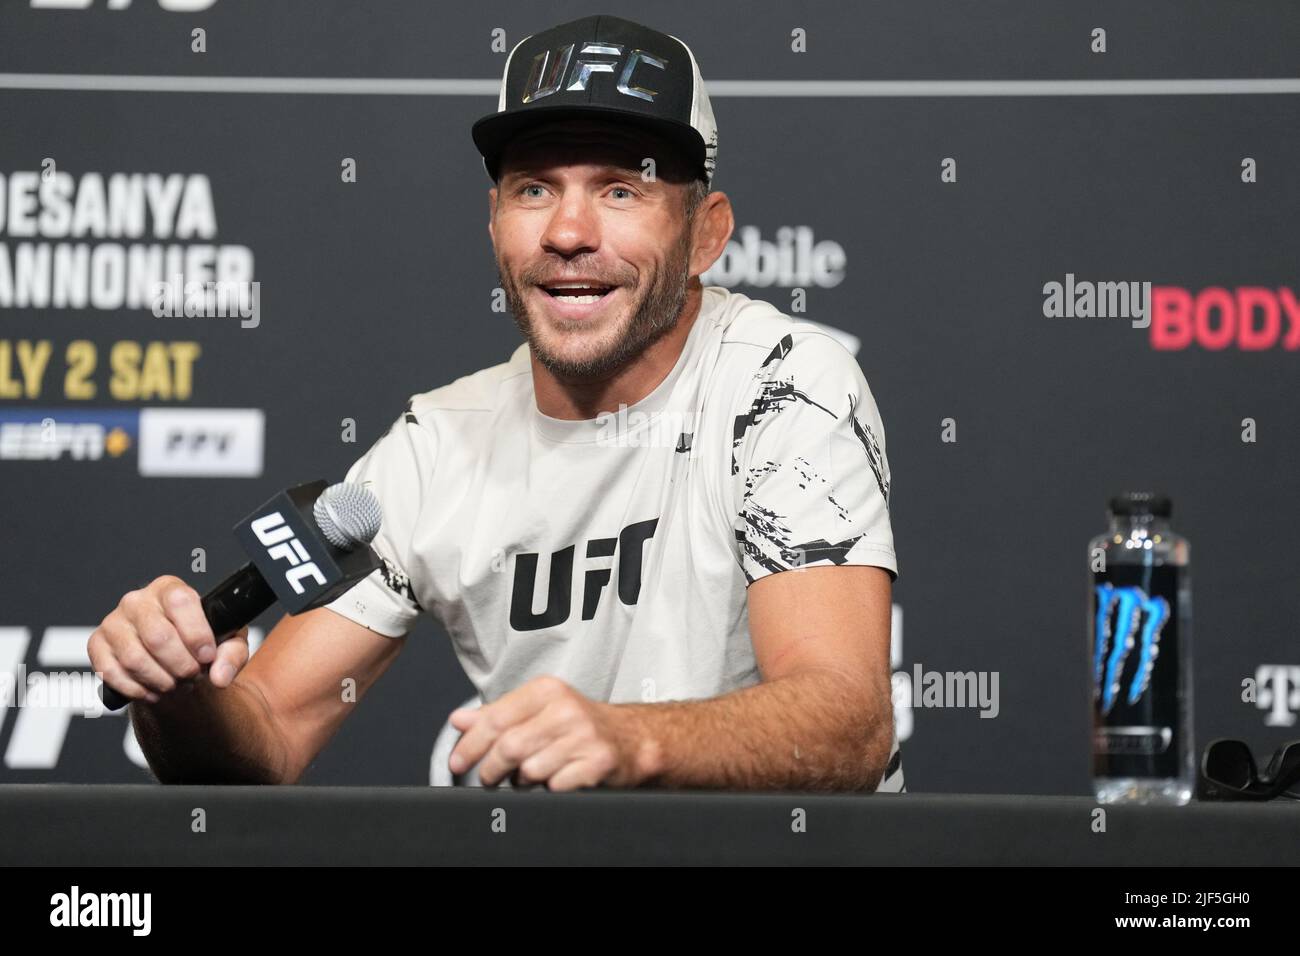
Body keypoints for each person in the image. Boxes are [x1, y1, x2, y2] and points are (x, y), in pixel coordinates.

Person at [88, 14, 905, 793]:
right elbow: (260, 742)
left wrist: (631, 738)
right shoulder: (438, 444)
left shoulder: (782, 383)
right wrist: (177, 689)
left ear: (705, 234)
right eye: (534, 191)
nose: (569, 232)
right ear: (494, 224)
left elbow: (847, 722)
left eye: (622, 191)